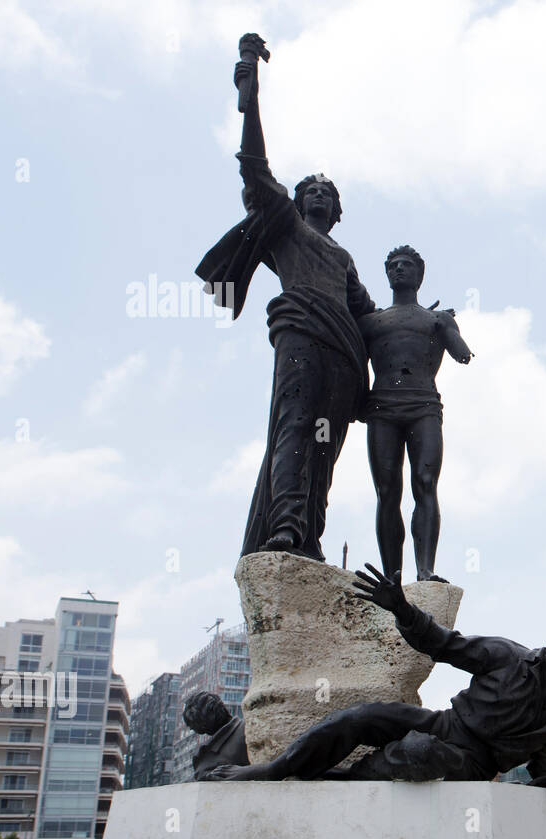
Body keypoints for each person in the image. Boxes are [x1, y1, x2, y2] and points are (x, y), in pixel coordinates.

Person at [196, 33, 376, 561]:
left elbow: (369, 317)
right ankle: (284, 527)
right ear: (296, 202)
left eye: (329, 192)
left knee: (325, 448)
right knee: (295, 429)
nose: (320, 194)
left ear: (338, 211)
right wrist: (250, 87)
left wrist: (420, 328)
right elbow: (254, 165)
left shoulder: (343, 259)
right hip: (301, 336)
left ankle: (309, 534)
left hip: (345, 356)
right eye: (311, 189)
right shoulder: (289, 230)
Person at [206, 564, 546, 802]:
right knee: (366, 717)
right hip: (446, 723)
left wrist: (545, 776)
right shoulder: (506, 655)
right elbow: (444, 644)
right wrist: (403, 608)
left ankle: (336, 783)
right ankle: (275, 770)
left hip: (473, 761)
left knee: (419, 752)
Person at [359, 245, 472, 582]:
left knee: (425, 483)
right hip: (382, 407)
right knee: (387, 490)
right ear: (386, 274)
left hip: (424, 405)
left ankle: (425, 569)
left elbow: (463, 355)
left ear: (419, 274)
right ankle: (392, 576)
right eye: (393, 265)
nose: (399, 269)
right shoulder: (372, 322)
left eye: (406, 265)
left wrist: (448, 327)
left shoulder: (437, 319)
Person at [182, 691, 250, 781]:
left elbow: (273, 767)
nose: (192, 728)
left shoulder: (246, 729)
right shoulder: (209, 747)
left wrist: (245, 772)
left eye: (195, 723)